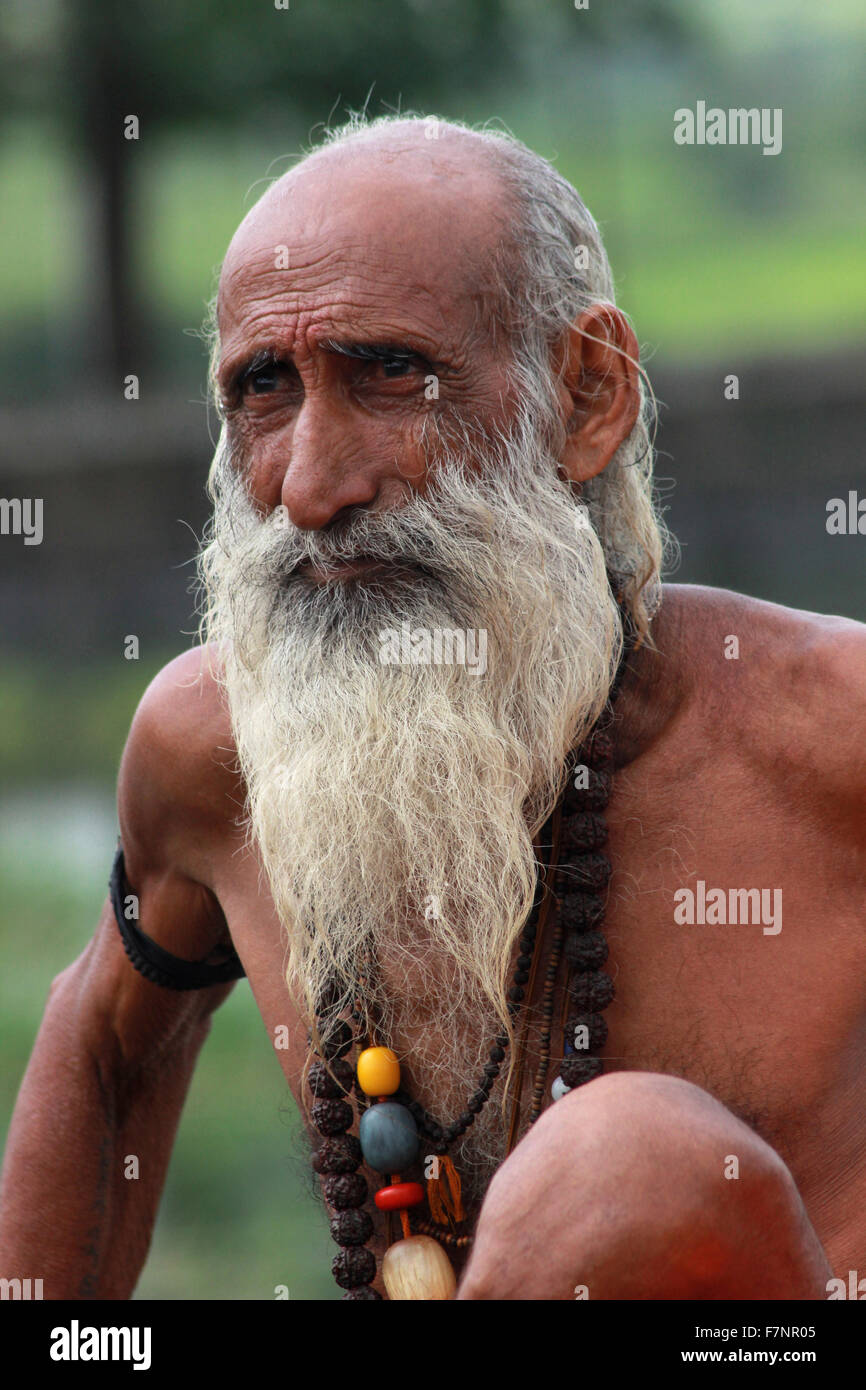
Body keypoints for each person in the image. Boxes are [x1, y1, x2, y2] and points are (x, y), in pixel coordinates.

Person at [1, 116, 861, 1301]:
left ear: (586, 395)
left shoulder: (832, 731)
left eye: (389, 373)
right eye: (263, 388)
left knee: (638, 1169)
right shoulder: (215, 751)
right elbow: (102, 1043)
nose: (310, 487)